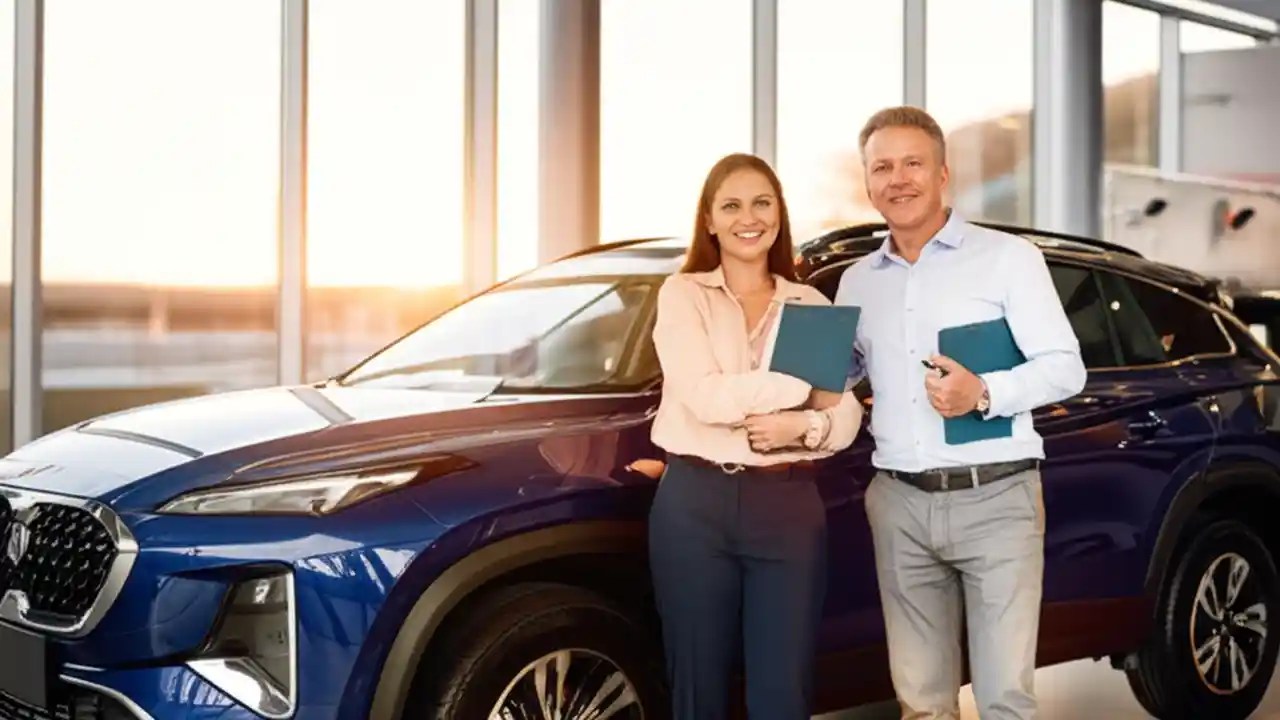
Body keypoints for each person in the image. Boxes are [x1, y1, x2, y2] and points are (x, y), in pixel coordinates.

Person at [834, 106, 1086, 720]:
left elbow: (1066, 367)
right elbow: (844, 379)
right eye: (882, 167)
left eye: (912, 163)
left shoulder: (1007, 257)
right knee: (921, 704)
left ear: (942, 172)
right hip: (899, 504)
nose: (898, 179)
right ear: (868, 182)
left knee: (1004, 700)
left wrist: (984, 393)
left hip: (997, 501)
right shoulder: (856, 283)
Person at [648, 152, 864, 720]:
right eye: (732, 205)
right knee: (697, 690)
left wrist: (806, 424)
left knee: (783, 690)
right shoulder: (683, 294)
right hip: (694, 504)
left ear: (779, 213)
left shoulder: (812, 305)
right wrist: (796, 385)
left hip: (787, 507)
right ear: (710, 220)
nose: (750, 216)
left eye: (762, 202)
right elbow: (705, 397)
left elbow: (843, 416)